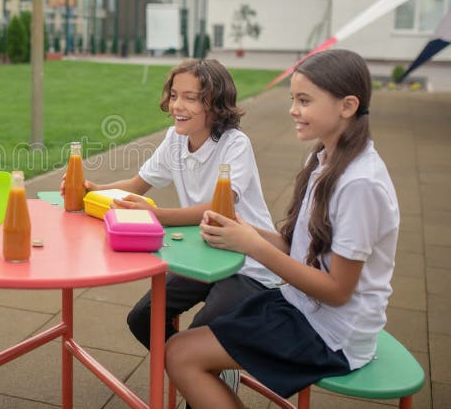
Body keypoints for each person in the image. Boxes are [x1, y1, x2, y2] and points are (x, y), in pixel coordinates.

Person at [166, 49, 399, 408]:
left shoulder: (360, 184)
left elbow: (337, 291)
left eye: (304, 101)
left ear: (347, 106)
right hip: (303, 307)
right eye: (293, 99)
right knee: (182, 347)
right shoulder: (323, 159)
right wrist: (247, 231)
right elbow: (301, 247)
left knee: (182, 355)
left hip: (333, 335)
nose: (293, 110)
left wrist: (254, 247)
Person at [60, 59, 280, 390]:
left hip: (249, 263)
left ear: (215, 103)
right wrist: (92, 188)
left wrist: (155, 215)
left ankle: (208, 368)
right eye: (175, 94)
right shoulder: (175, 139)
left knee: (199, 334)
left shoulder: (235, 144)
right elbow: (137, 184)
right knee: (143, 319)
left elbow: (219, 209)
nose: (178, 105)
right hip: (206, 255)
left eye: (191, 97)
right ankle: (208, 373)